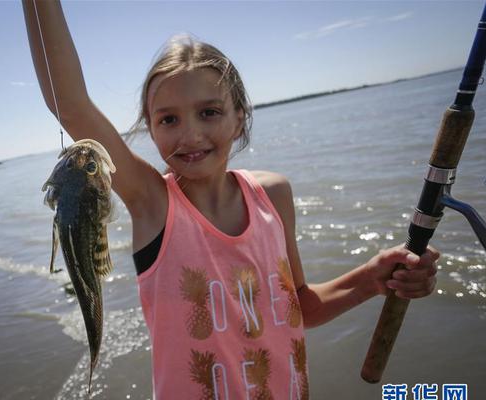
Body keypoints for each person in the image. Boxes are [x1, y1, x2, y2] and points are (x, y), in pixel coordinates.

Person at [22, 1, 439, 399]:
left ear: (239, 117)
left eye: (209, 112)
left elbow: (300, 308)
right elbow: (72, 105)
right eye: (168, 119)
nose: (190, 135)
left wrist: (370, 279)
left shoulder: (273, 195)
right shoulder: (154, 203)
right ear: (150, 129)